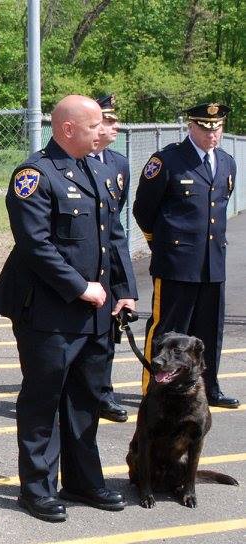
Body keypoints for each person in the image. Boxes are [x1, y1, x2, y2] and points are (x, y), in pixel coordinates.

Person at [0, 95, 134, 523]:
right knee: (43, 399)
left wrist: (123, 288)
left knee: (86, 398)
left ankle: (84, 480)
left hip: (96, 309)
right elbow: (35, 245)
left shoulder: (100, 167)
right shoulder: (35, 174)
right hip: (48, 312)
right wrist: (79, 287)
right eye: (94, 126)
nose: (102, 132)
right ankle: (37, 488)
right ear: (68, 129)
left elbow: (114, 234)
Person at [133, 102, 239, 409]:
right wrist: (163, 244)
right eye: (206, 128)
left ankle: (210, 388)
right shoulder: (167, 161)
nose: (213, 135)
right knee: (167, 329)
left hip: (212, 262)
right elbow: (144, 210)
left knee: (209, 329)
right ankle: (153, 389)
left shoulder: (226, 161)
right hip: (176, 262)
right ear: (191, 126)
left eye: (217, 127)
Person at [88, 94, 138, 423]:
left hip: (108, 264)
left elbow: (116, 227)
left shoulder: (118, 163)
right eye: (107, 120)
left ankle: (103, 394)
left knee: (108, 335)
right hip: (79, 269)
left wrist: (127, 288)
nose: (114, 125)